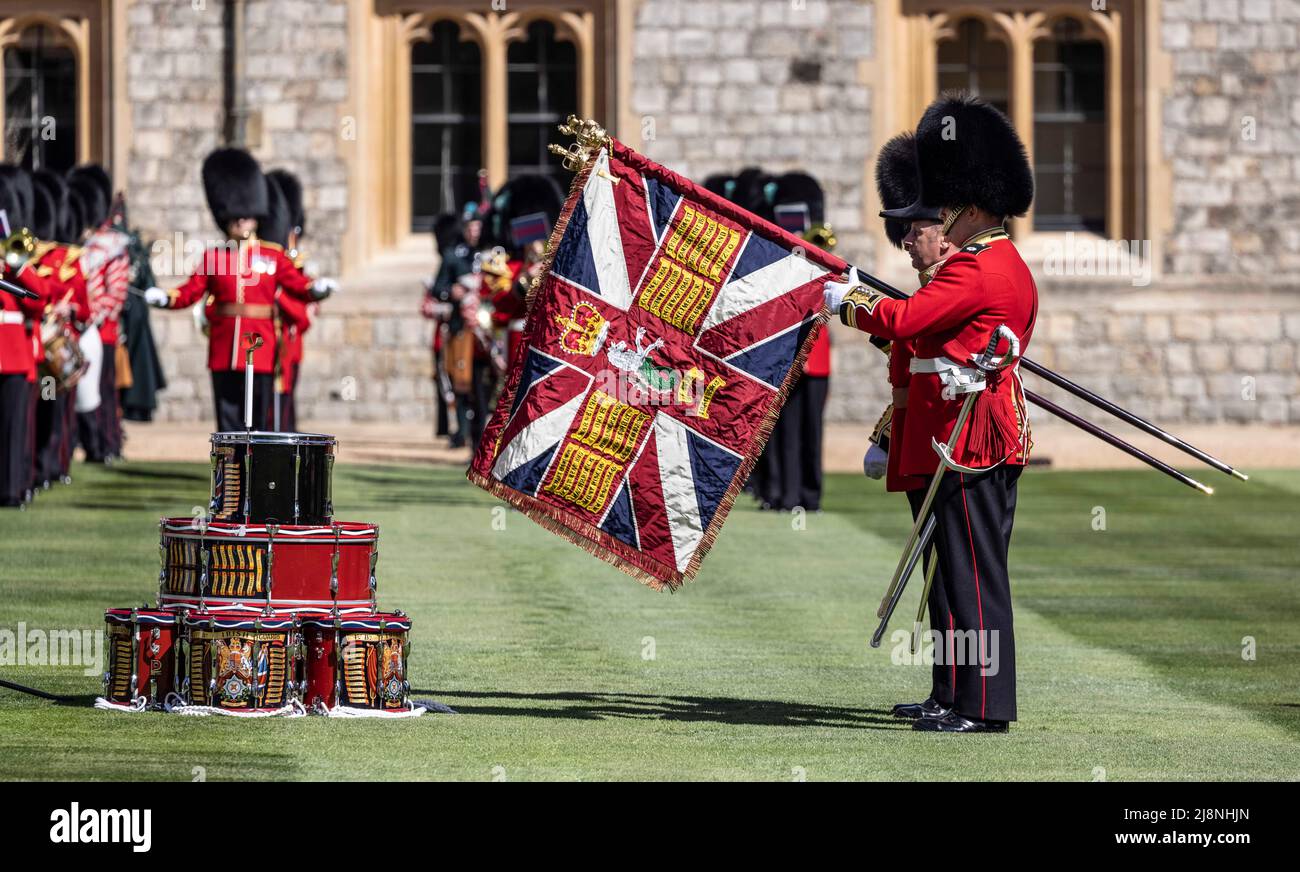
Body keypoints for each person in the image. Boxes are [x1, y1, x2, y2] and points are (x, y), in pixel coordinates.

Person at [824, 94, 1037, 733]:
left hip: (972, 440)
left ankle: (985, 706)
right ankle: (954, 694)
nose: (941, 220)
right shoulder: (987, 263)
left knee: (974, 578)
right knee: (949, 579)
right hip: (955, 434)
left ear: (971, 207)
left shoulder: (979, 267)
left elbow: (909, 319)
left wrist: (851, 304)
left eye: (948, 209)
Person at [144, 148, 335, 432]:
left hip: (261, 348)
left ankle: (256, 476)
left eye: (246, 215)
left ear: (256, 216)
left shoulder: (273, 256)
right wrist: (164, 298)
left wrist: (317, 290)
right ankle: (230, 476)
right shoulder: (214, 258)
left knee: (259, 421)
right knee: (228, 422)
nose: (241, 220)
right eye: (235, 215)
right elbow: (190, 292)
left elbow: (298, 287)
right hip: (223, 348)